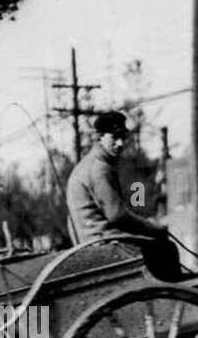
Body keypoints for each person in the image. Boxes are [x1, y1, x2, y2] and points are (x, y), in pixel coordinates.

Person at [66, 110, 184, 280]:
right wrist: (153, 228)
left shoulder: (90, 165)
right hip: (104, 245)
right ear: (99, 137)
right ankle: (175, 298)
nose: (120, 143)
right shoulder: (99, 169)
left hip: (93, 242)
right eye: (114, 138)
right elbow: (117, 216)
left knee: (159, 244)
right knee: (165, 248)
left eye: (123, 137)